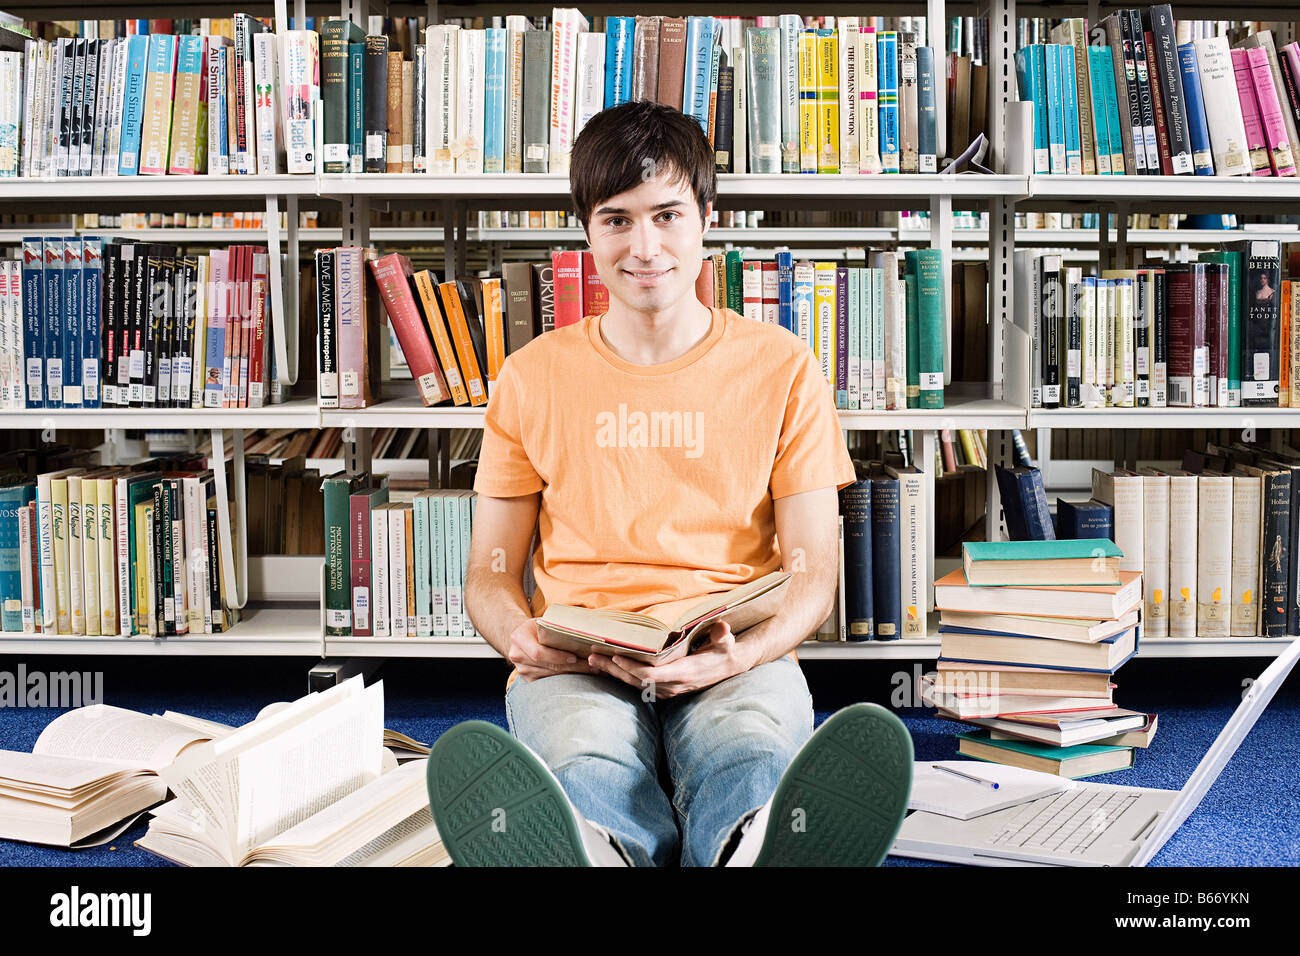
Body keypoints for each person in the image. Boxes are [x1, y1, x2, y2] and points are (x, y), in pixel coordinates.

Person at [425, 101, 913, 866]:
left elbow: (814, 573)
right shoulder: (530, 377)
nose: (644, 246)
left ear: (706, 218)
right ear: (586, 229)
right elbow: (489, 570)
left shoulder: (783, 367)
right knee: (584, 758)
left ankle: (750, 845)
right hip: (581, 654)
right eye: (616, 220)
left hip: (732, 644)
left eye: (666, 215)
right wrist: (517, 632)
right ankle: (595, 849)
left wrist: (743, 657)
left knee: (749, 749)